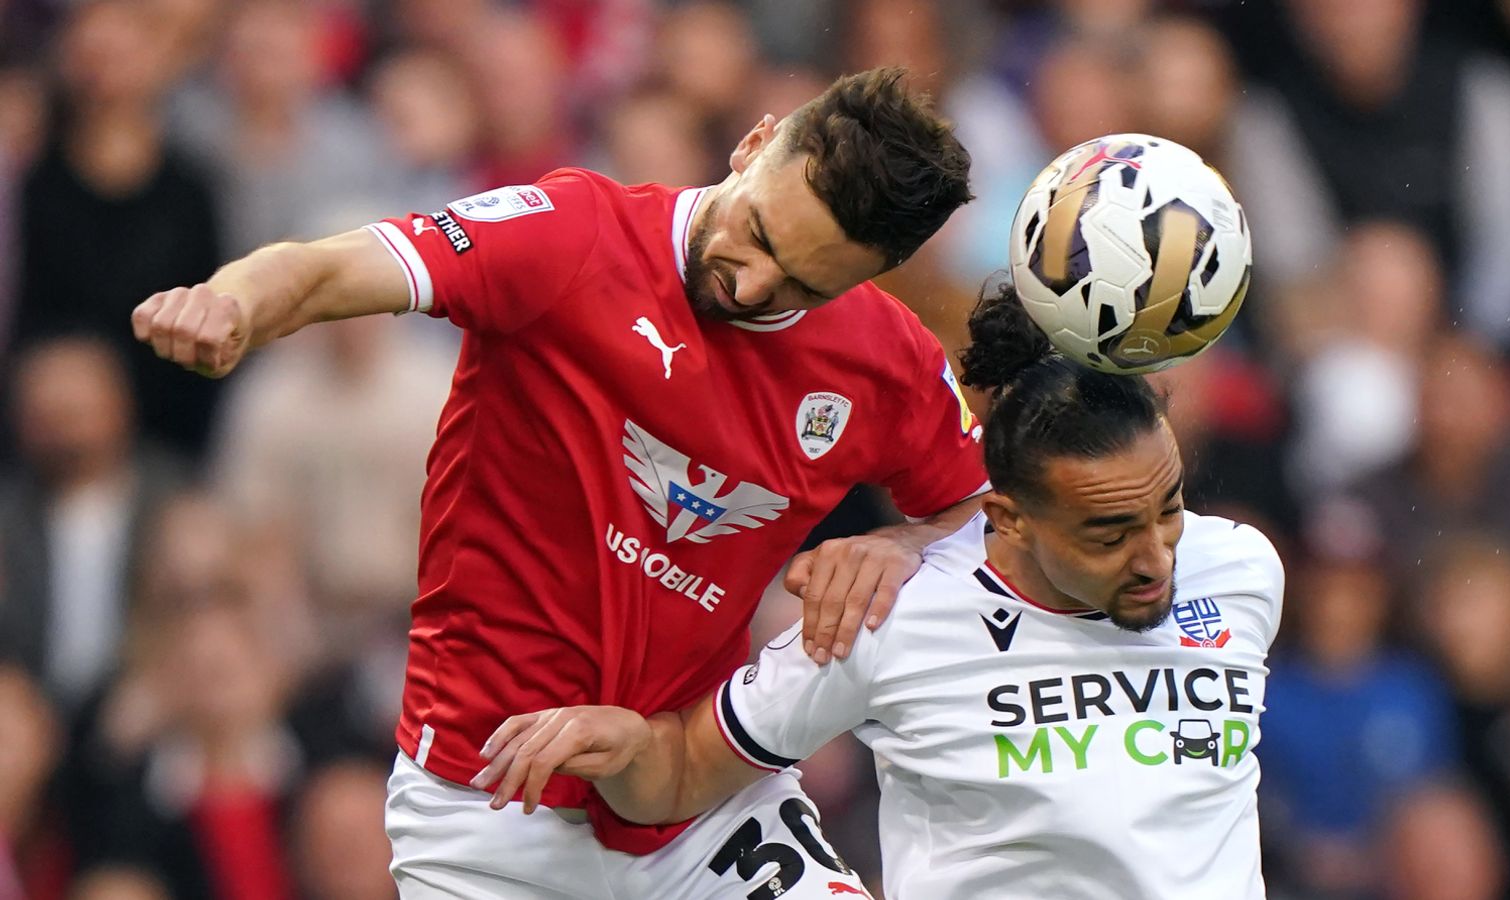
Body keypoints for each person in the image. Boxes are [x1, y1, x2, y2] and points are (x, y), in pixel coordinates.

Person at [132, 67, 988, 898]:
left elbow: (990, 514)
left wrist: (904, 542)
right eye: (759, 235)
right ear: (752, 144)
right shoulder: (572, 233)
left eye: (806, 284)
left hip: (703, 808)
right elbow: (333, 268)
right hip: (484, 804)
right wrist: (231, 300)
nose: (753, 284)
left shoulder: (887, 363)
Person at [475, 279, 1287, 899]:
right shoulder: (886, 620)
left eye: (1170, 509)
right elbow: (683, 773)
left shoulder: (1244, 571)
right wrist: (622, 744)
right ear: (1006, 518)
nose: (1155, 559)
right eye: (1108, 535)